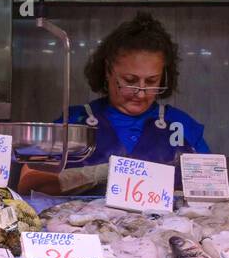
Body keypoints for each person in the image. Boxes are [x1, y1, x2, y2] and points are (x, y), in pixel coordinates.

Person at [20, 12, 208, 196]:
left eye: (151, 82)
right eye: (130, 80)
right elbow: (27, 182)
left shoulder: (181, 126)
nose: (141, 93)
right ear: (108, 71)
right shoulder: (76, 121)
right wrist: (96, 174)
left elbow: (211, 187)